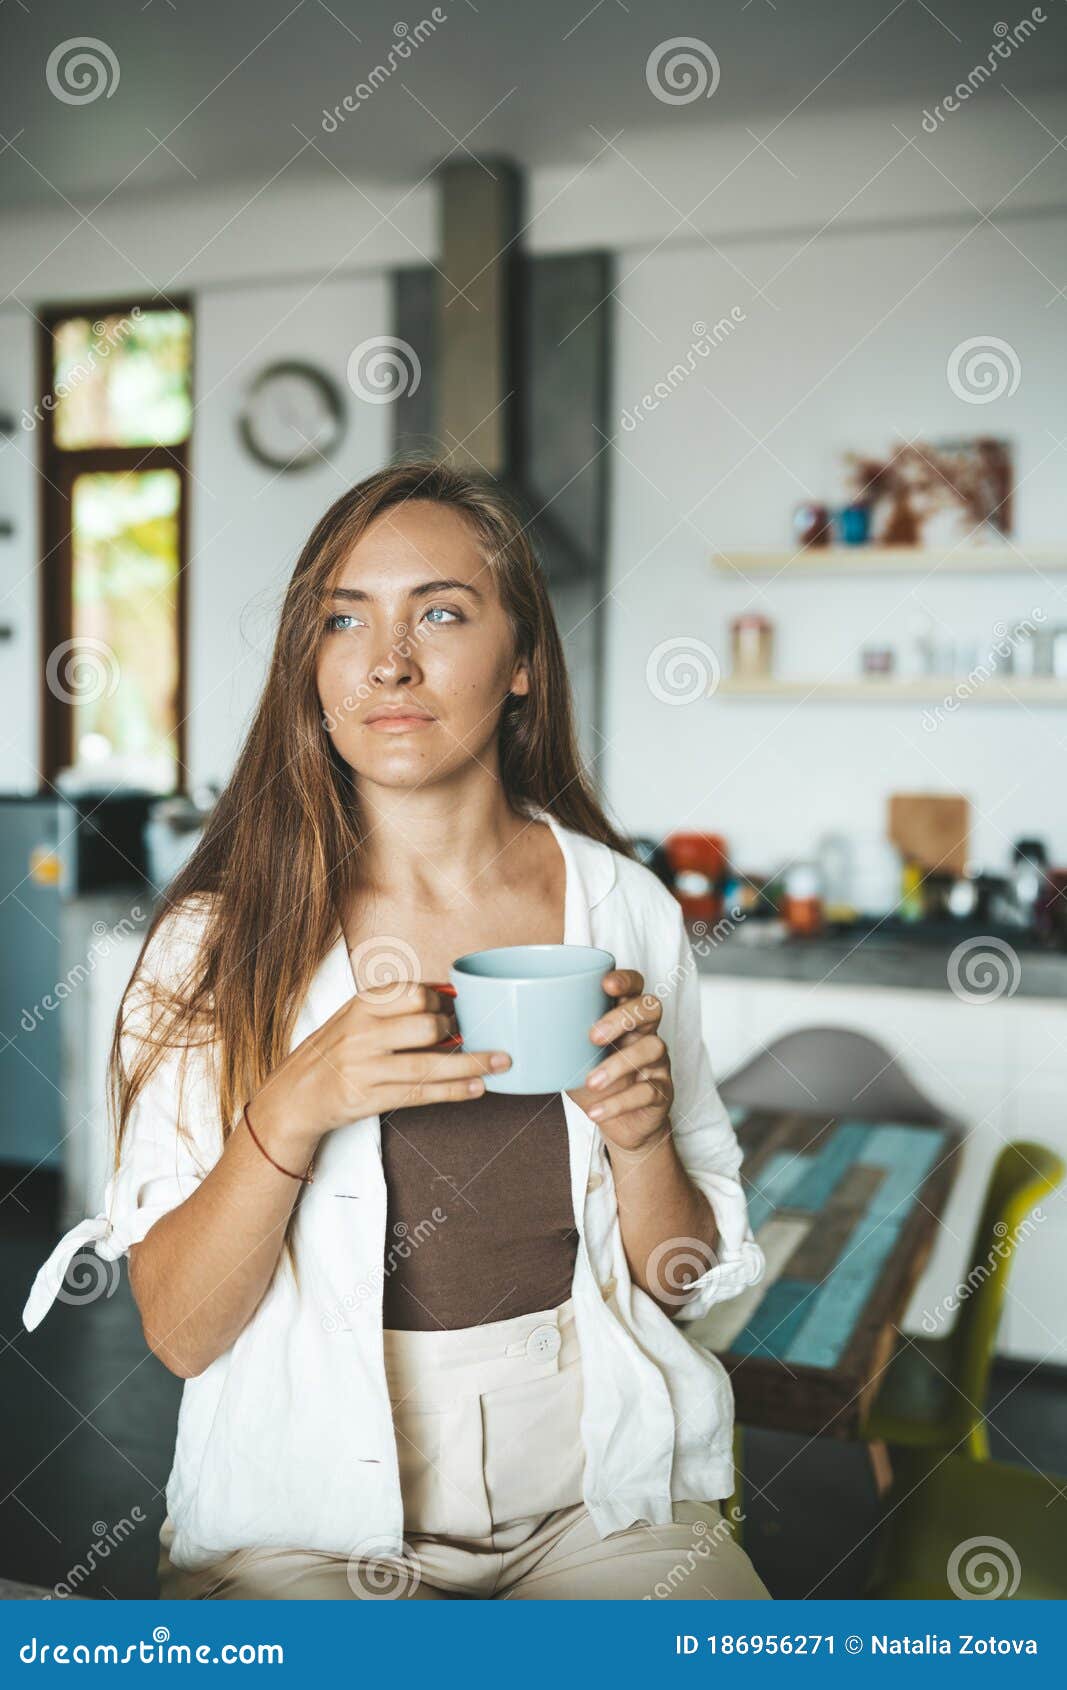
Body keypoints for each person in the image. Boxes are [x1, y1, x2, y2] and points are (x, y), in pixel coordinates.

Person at [23, 459, 770, 1601]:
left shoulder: (624, 909)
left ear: (521, 662)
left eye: (439, 611)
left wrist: (640, 1140)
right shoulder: (217, 946)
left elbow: (677, 1285)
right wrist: (290, 1111)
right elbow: (177, 1333)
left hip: (596, 1492)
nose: (388, 660)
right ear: (309, 665)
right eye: (343, 617)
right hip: (305, 1516)